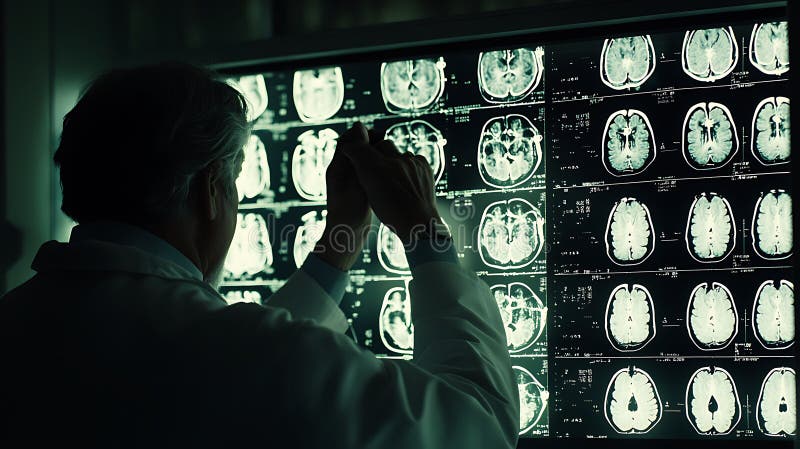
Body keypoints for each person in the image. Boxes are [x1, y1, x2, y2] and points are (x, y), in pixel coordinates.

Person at [0, 63, 519, 448]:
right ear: (209, 190)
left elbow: (227, 352)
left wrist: (341, 241)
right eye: (234, 179)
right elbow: (482, 429)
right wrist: (426, 233)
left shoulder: (16, 322)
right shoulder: (248, 360)